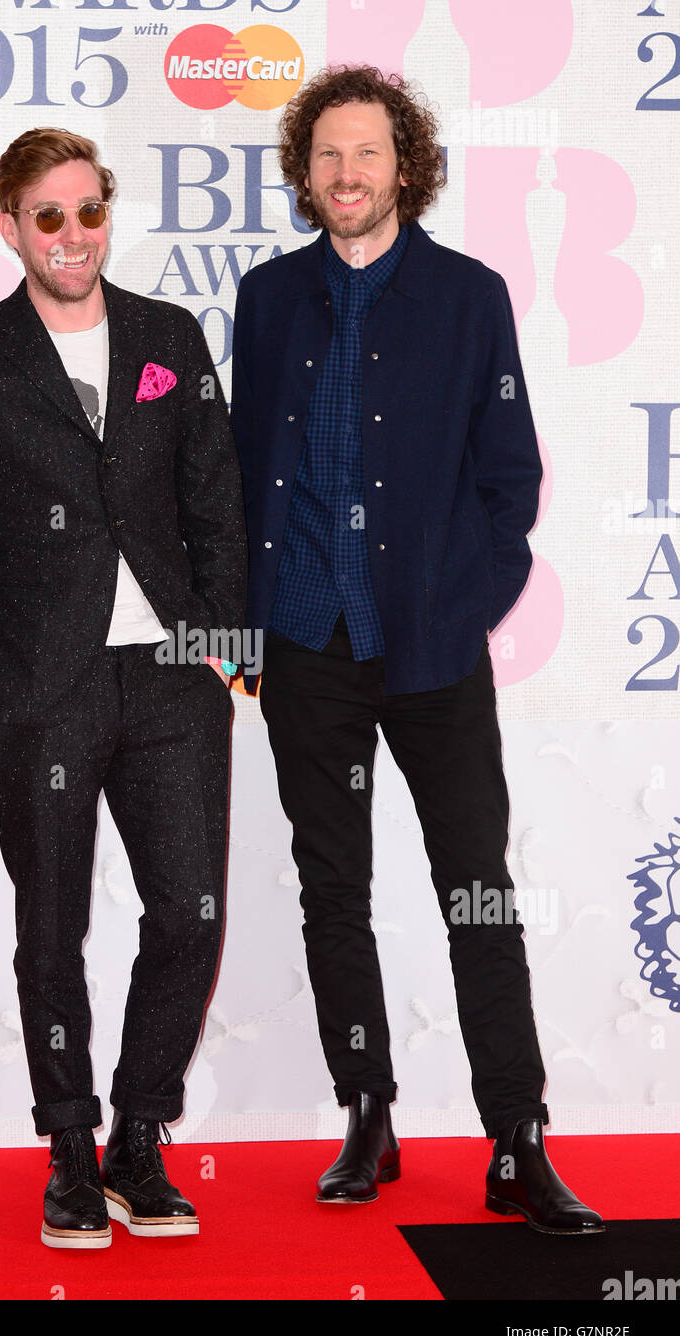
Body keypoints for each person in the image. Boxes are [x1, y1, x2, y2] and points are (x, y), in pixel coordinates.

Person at [230, 66, 603, 1235]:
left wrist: (460, 604)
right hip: (304, 643)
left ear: (406, 167)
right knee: (331, 891)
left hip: (432, 650)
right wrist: (244, 622)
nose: (347, 174)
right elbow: (244, 476)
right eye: (327, 155)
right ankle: (367, 1110)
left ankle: (514, 1139)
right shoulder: (267, 298)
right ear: (306, 172)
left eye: (368, 153)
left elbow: (511, 480)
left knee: (477, 894)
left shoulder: (468, 297)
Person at [0, 128, 246, 1249]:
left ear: (104, 216)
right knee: (51, 930)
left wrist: (222, 643)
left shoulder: (169, 336)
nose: (72, 236)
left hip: (172, 682)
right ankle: (70, 1155)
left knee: (188, 914)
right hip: (44, 687)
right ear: (9, 227)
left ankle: (139, 1138)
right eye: (48, 217)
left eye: (88, 212)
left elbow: (216, 500)